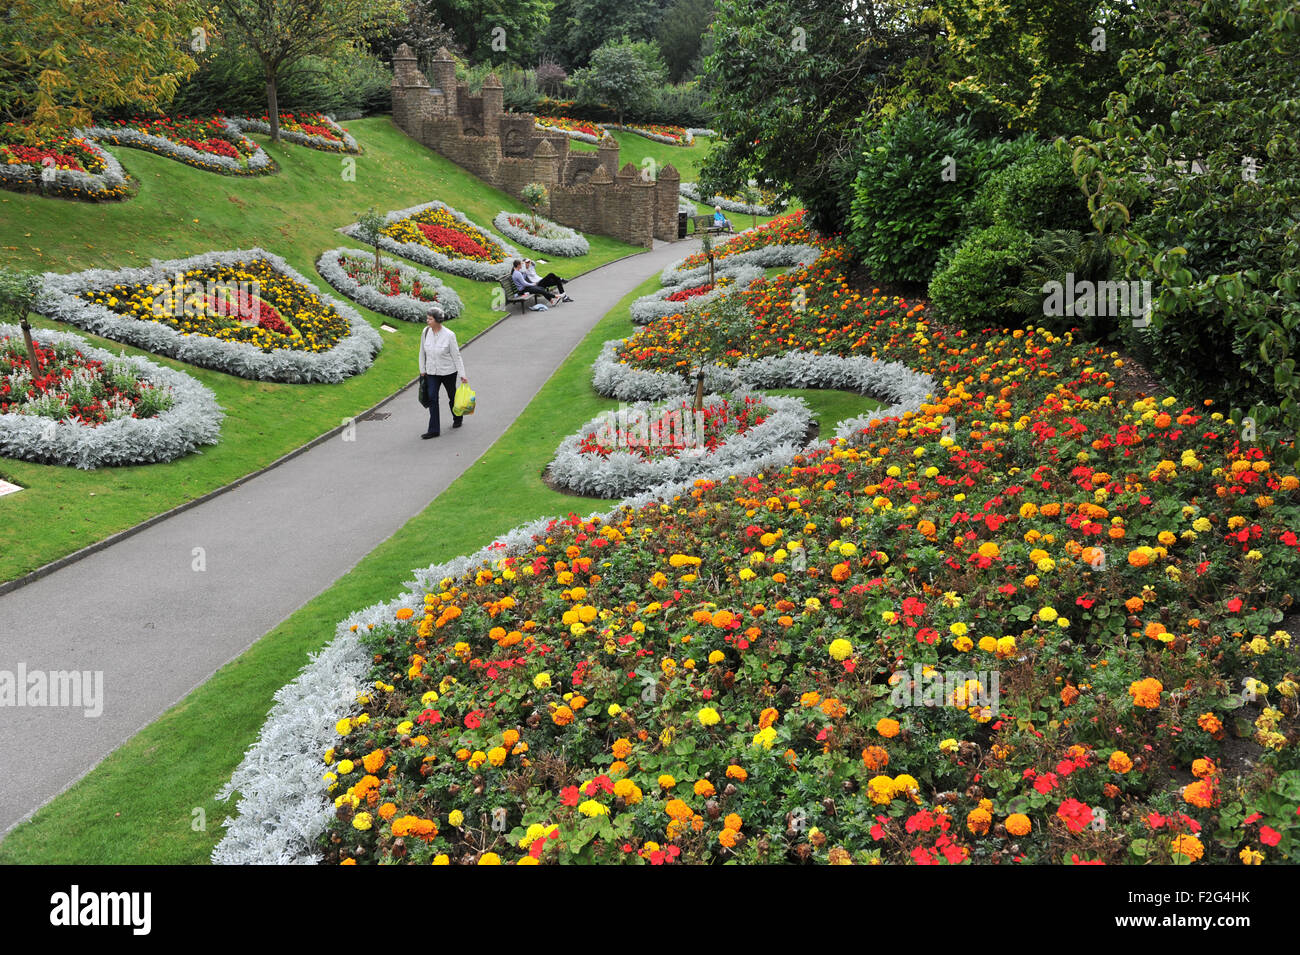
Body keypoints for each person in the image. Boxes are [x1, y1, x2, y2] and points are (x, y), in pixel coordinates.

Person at [418, 306, 467, 439]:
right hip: (432, 372)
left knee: (452, 396)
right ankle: (434, 430)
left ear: (437, 320)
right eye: (427, 318)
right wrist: (422, 370)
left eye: (430, 319)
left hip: (448, 372)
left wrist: (462, 374)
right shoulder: (425, 332)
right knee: (432, 398)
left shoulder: (449, 335)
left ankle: (458, 417)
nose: (427, 321)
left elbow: (456, 356)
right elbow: (422, 352)